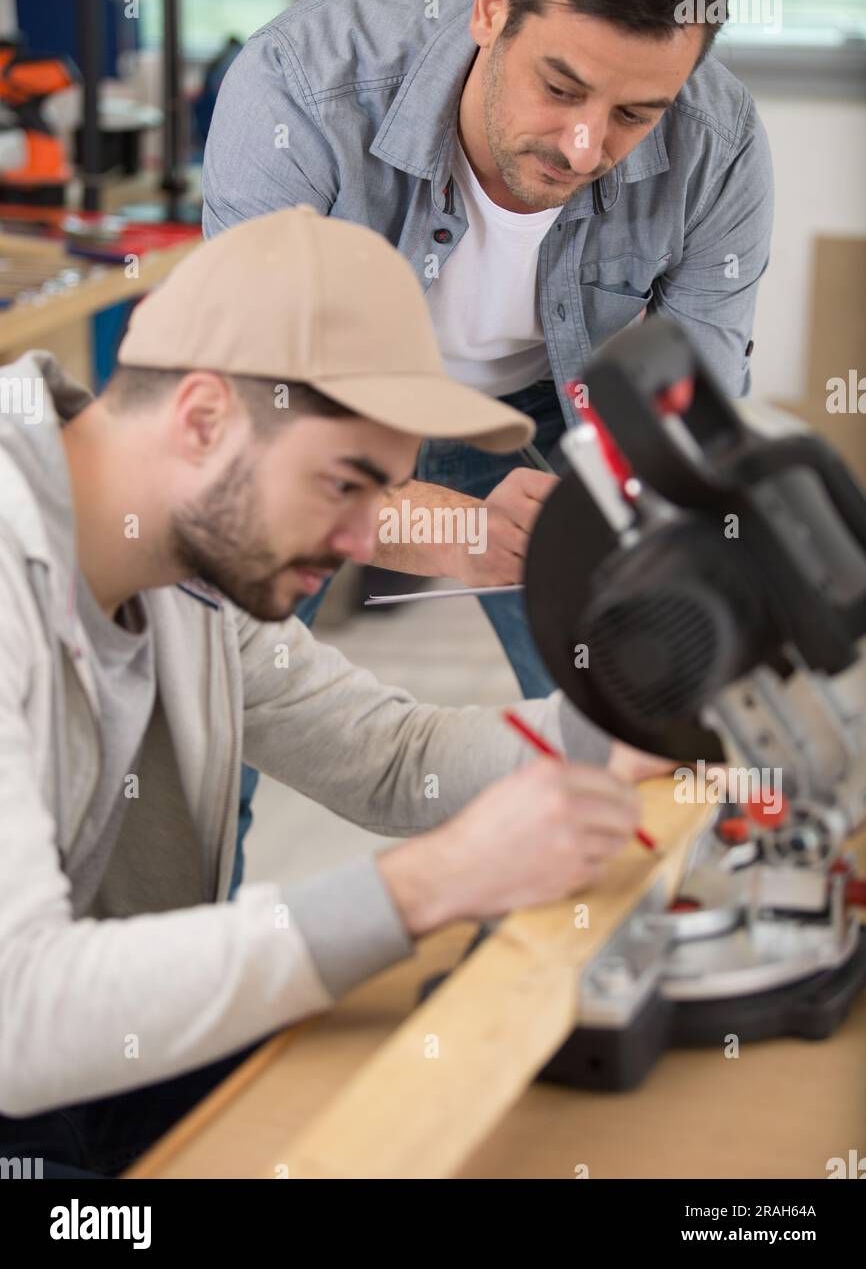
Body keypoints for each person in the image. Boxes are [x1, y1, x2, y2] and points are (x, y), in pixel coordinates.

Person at [0, 207, 663, 1176]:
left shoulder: (188, 563)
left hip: (92, 1061)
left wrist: (631, 726)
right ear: (201, 419)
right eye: (345, 484)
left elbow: (390, 758)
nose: (366, 544)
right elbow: (20, 1014)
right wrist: (425, 885)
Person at [201, 0, 774, 698]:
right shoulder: (304, 84)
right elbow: (255, 424)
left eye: (634, 115)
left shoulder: (719, 147)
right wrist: (446, 529)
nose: (583, 149)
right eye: (562, 89)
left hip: (533, 411)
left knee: (627, 699)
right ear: (493, 4)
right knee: (216, 711)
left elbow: (688, 424)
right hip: (324, 404)